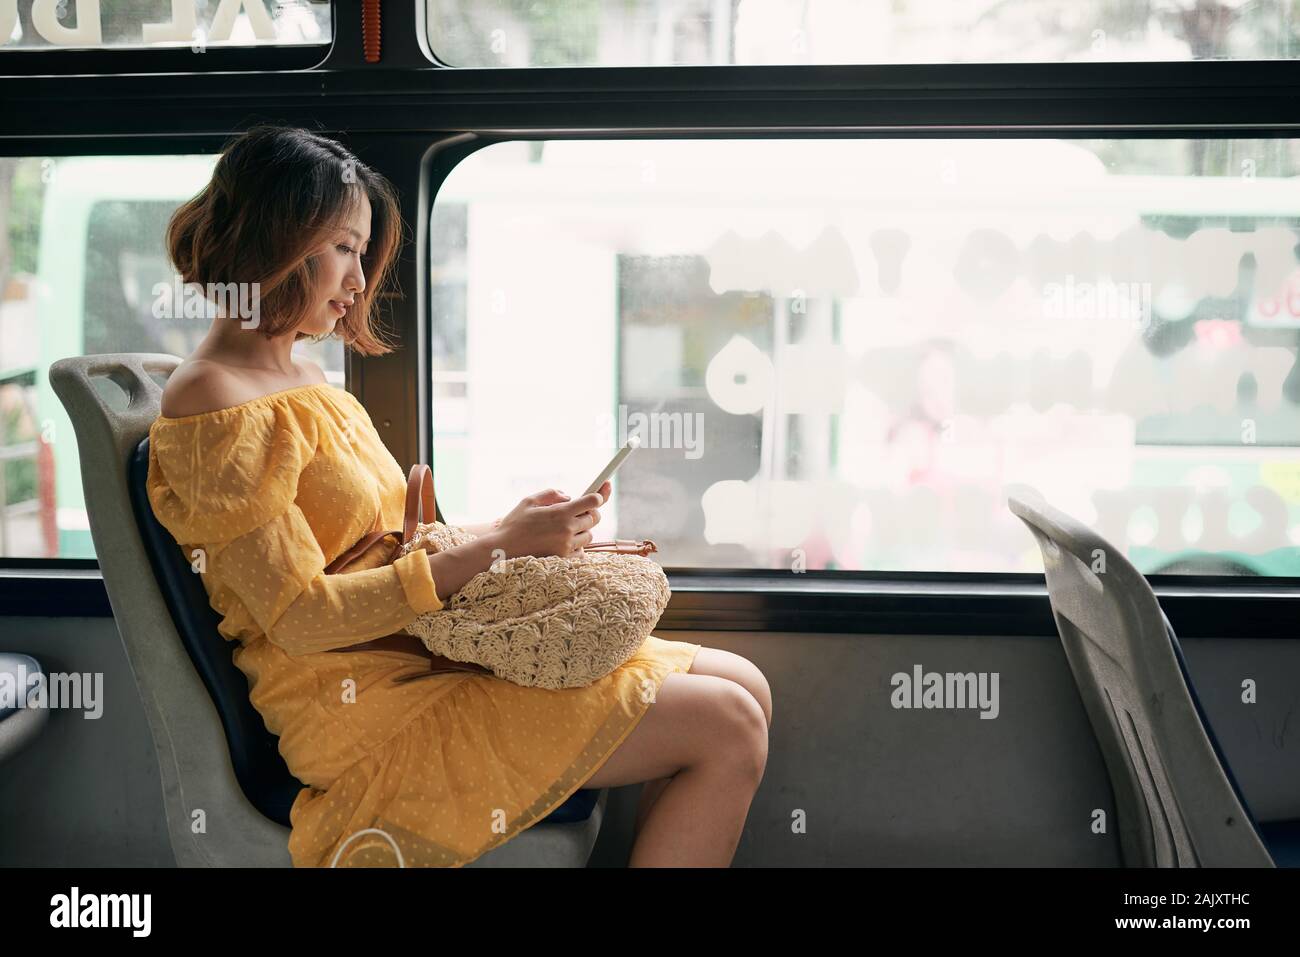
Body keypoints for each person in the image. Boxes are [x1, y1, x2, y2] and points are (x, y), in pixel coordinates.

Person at [145, 124, 772, 867]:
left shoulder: (310, 381)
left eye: (361, 252)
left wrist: (507, 529)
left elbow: (382, 544)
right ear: (279, 233)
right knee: (728, 723)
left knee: (745, 682)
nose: (357, 280)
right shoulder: (210, 400)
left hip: (416, 659)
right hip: (365, 711)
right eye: (344, 247)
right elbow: (301, 617)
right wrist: (501, 549)